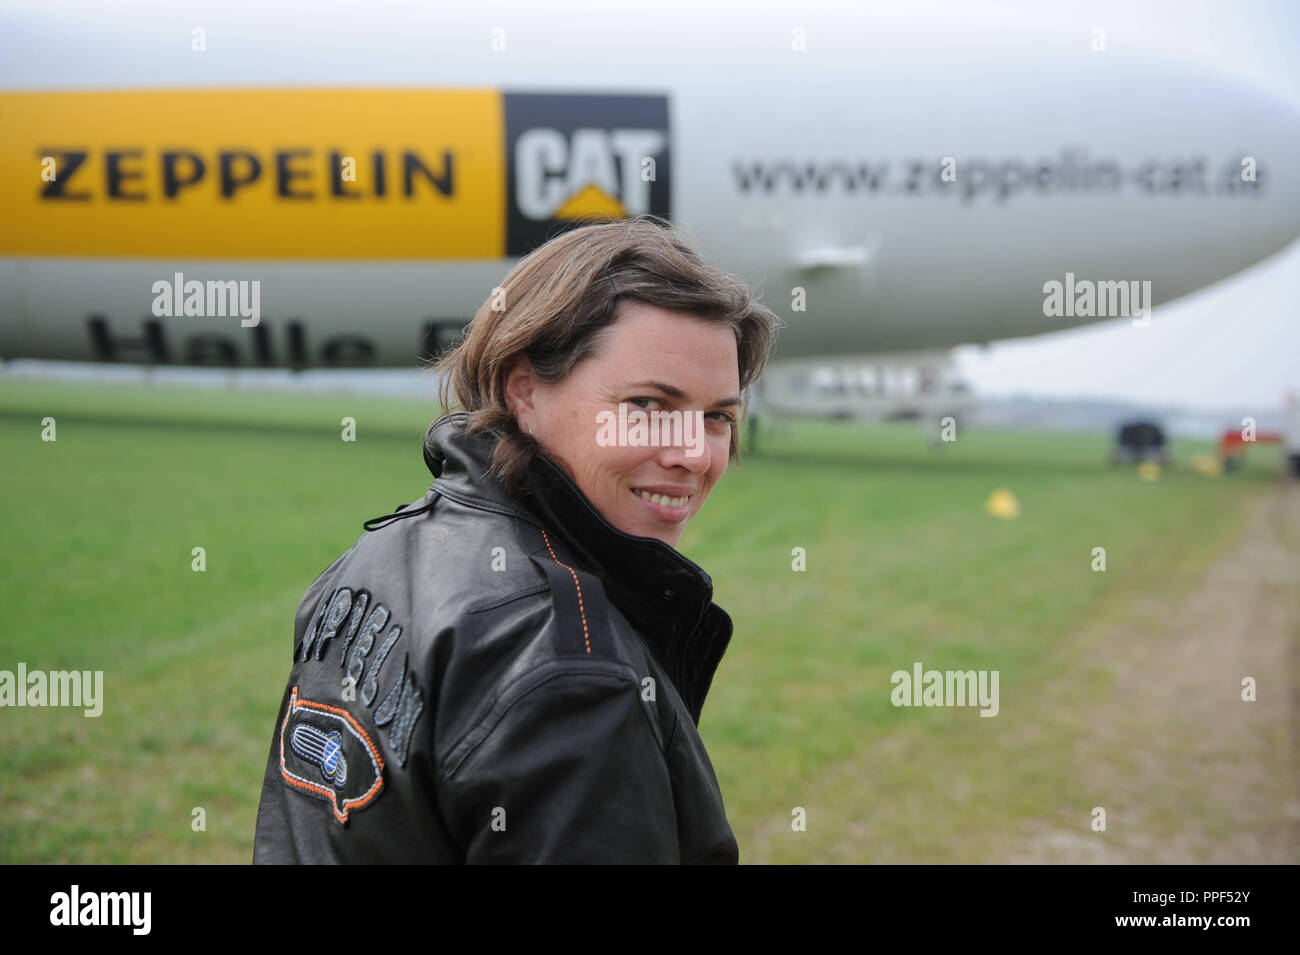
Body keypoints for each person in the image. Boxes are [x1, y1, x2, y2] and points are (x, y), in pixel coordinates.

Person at [252, 215, 779, 863]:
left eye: (717, 417)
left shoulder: (376, 555)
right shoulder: (576, 673)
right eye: (647, 406)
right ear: (524, 390)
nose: (693, 455)